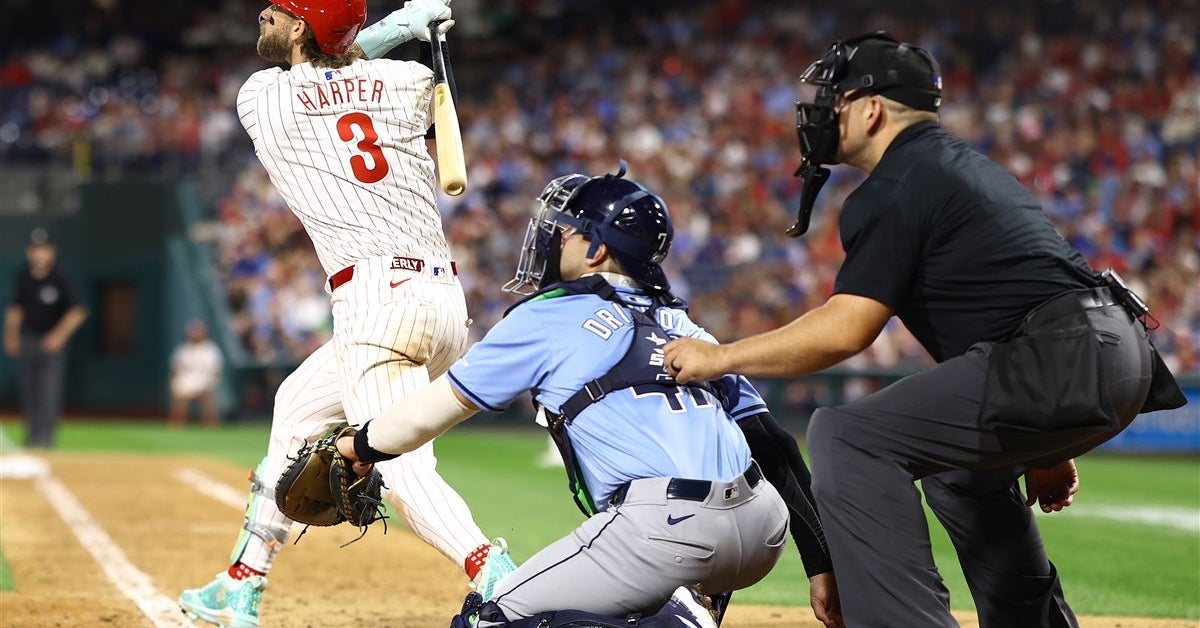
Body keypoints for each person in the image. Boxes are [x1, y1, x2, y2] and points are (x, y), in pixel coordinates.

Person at [664, 32, 1185, 628]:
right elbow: (1013, 297)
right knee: (959, 469)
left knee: (845, 435)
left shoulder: (896, 183)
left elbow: (845, 331)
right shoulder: (960, 168)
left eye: (833, 100)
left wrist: (720, 356)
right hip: (1112, 351)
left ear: (871, 109)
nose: (819, 114)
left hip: (1058, 357)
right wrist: (1046, 442)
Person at [334, 166, 835, 628]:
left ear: (596, 249)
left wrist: (359, 448)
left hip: (670, 533)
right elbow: (774, 447)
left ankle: (675, 618)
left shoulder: (548, 316)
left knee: (487, 621)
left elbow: (426, 415)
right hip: (763, 526)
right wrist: (821, 566)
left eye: (566, 229)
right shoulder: (681, 323)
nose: (552, 237)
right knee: (663, 567)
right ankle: (685, 603)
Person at [178, 2, 517, 626]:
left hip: (374, 305)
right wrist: (408, 29)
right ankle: (242, 580)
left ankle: (506, 583)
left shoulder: (262, 98)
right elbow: (354, 68)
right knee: (296, 408)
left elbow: (335, 73)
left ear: (302, 29)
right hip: (442, 304)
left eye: (277, 12)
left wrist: (394, 25)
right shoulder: (412, 83)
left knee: (402, 463)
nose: (263, 16)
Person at [4, 228, 88, 450]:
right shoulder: (23, 276)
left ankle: (46, 440)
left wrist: (59, 335)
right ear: (29, 251)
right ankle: (32, 437)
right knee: (29, 392)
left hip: (51, 344)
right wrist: (11, 335)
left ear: (52, 251)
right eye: (35, 249)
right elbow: (16, 308)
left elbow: (77, 311)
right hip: (28, 340)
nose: (39, 253)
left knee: (49, 393)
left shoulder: (61, 278)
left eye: (43, 249)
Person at [168, 320, 224, 428]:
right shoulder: (182, 350)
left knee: (208, 396)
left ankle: (210, 425)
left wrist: (210, 383)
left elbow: (215, 371)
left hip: (204, 382)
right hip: (186, 382)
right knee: (179, 392)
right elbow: (175, 370)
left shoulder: (211, 350)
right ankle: (177, 424)